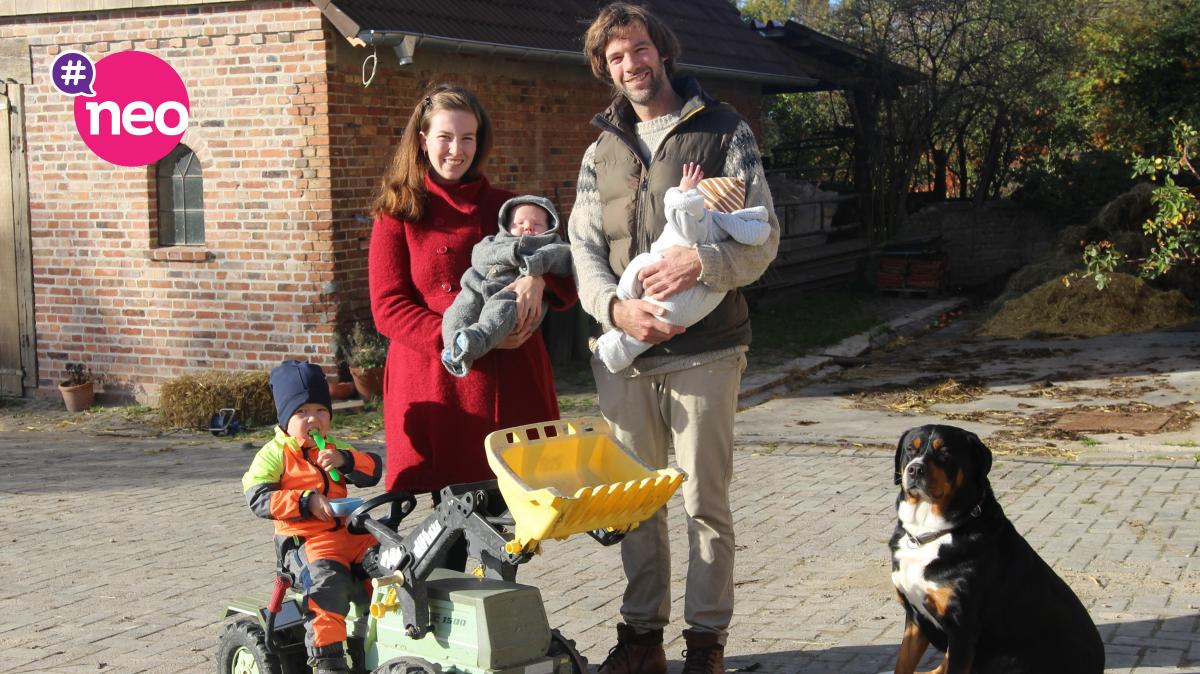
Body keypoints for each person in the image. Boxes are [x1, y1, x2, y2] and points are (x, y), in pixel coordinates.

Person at [568, 4, 780, 674]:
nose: (630, 64)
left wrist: (703, 263)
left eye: (639, 49)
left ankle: (705, 646)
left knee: (703, 504)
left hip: (708, 349)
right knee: (635, 503)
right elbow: (583, 248)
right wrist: (614, 311)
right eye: (615, 57)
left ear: (662, 50)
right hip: (626, 357)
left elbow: (764, 234)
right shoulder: (599, 150)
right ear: (605, 67)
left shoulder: (723, 131)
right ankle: (641, 641)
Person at [368, 84, 577, 569]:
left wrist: (539, 282)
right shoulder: (398, 212)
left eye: (467, 138)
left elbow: (567, 266)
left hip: (513, 385)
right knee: (448, 535)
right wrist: (463, 336)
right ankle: (443, 636)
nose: (456, 150)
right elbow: (388, 306)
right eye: (445, 137)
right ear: (422, 139)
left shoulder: (508, 208)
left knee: (511, 535)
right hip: (444, 385)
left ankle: (502, 632)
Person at [241, 360, 383, 674]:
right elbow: (258, 498)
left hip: (349, 535)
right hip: (305, 542)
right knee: (327, 584)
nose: (313, 419)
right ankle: (328, 660)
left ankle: (382, 639)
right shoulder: (274, 454)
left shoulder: (334, 446)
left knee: (391, 563)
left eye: (321, 411)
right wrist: (306, 501)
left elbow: (372, 470)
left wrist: (346, 460)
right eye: (302, 412)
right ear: (285, 418)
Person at [595, 162, 770, 373]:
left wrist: (686, 194)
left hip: (705, 346)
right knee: (643, 283)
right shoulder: (724, 225)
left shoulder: (709, 222)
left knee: (661, 315)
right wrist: (615, 308)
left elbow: (689, 228)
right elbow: (584, 245)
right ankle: (616, 332)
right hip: (658, 273)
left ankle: (612, 352)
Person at [441, 195, 573, 377]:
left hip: (512, 293)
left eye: (537, 224)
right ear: (506, 225)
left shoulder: (552, 244)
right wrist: (514, 254)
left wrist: (534, 263)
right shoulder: (493, 242)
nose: (528, 227)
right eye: (519, 223)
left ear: (550, 228)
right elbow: (478, 257)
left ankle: (475, 339)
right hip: (477, 284)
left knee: (502, 308)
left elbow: (563, 258)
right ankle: (452, 348)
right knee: (459, 309)